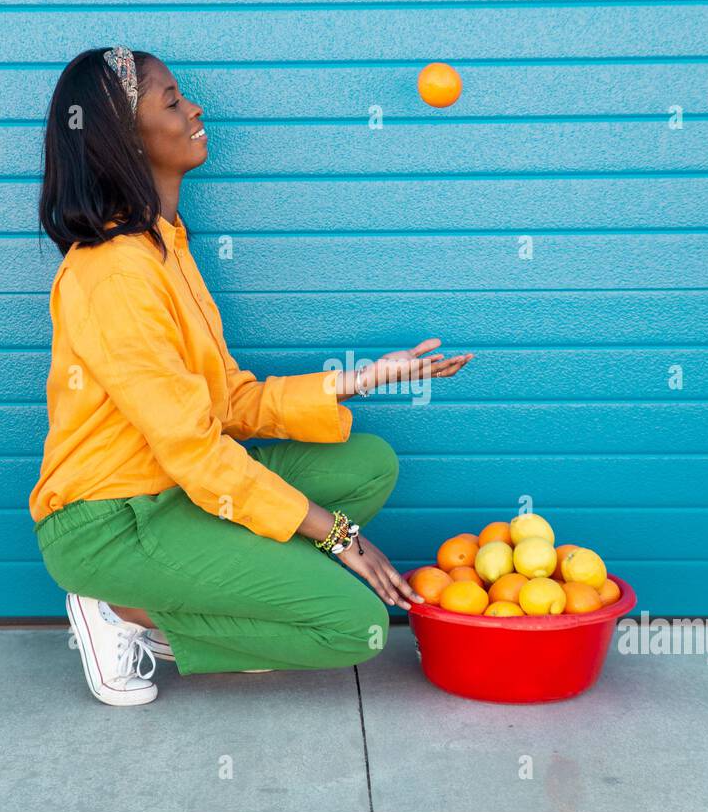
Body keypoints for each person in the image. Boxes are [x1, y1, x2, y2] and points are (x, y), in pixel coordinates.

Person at [30, 46, 474, 705]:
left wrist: (364, 377)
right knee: (357, 625)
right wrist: (336, 533)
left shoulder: (164, 244)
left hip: (175, 492)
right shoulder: (115, 272)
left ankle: (214, 587)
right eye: (173, 100)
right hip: (110, 522)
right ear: (126, 136)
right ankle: (124, 610)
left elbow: (229, 400)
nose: (195, 108)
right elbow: (196, 449)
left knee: (368, 463)